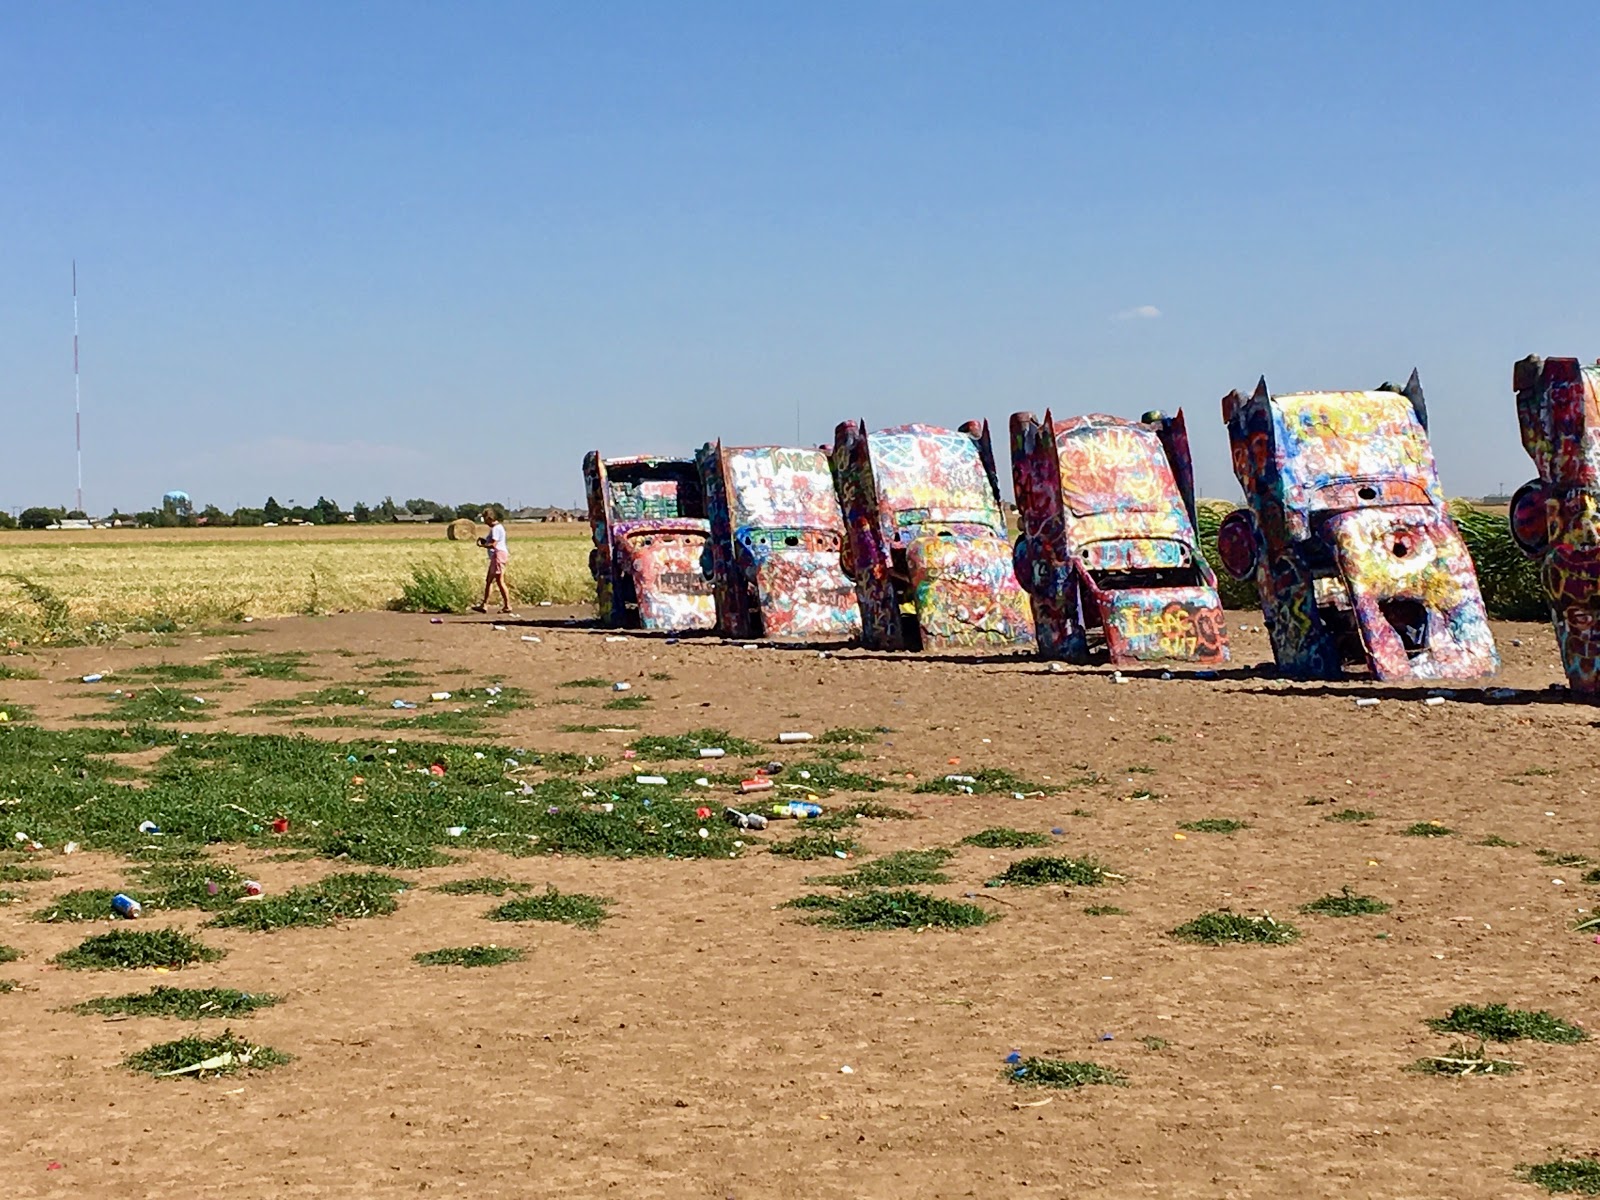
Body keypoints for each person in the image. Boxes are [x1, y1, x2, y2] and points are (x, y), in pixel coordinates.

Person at [471, 509, 512, 613]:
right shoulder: (497, 528)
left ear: (489, 518)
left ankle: (507, 605)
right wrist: (485, 541)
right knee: (489, 581)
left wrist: (483, 545)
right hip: (496, 556)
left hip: (498, 555)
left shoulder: (496, 529)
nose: (484, 522)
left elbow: (493, 544)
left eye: (485, 519)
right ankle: (484, 604)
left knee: (499, 580)